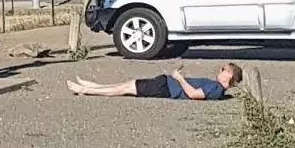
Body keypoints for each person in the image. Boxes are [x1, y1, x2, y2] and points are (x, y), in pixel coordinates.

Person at [67, 62, 242, 100]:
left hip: (167, 88)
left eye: (224, 70)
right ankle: (93, 86)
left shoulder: (216, 89)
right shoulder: (215, 86)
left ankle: (86, 90)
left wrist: (179, 77)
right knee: (129, 84)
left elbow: (194, 94)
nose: (220, 71)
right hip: (166, 83)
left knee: (127, 88)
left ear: (230, 76)